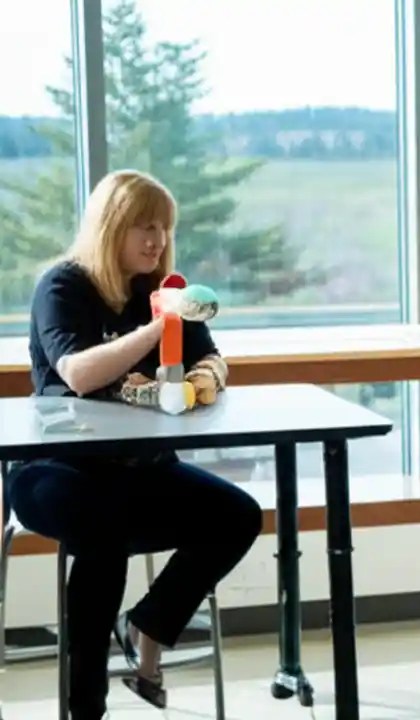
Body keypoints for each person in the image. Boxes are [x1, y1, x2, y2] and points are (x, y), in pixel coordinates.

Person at [4, 169, 262, 718]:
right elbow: (76, 371)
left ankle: (148, 622)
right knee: (103, 528)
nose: (157, 240)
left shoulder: (158, 290)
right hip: (54, 469)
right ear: (111, 226)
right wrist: (154, 329)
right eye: (144, 226)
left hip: (137, 469)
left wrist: (206, 378)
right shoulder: (63, 286)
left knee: (238, 515)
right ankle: (86, 705)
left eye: (164, 228)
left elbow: (209, 357)